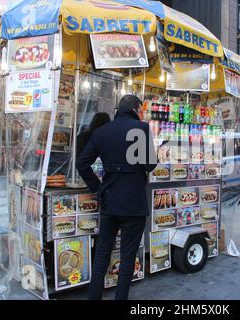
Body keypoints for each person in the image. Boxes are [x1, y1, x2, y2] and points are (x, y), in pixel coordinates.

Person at [76, 95, 157, 300]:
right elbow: (149, 165)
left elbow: (82, 164)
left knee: (103, 254)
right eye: (141, 110)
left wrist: (98, 187)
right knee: (128, 257)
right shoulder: (141, 128)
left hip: (109, 199)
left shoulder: (102, 131)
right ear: (136, 109)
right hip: (133, 202)